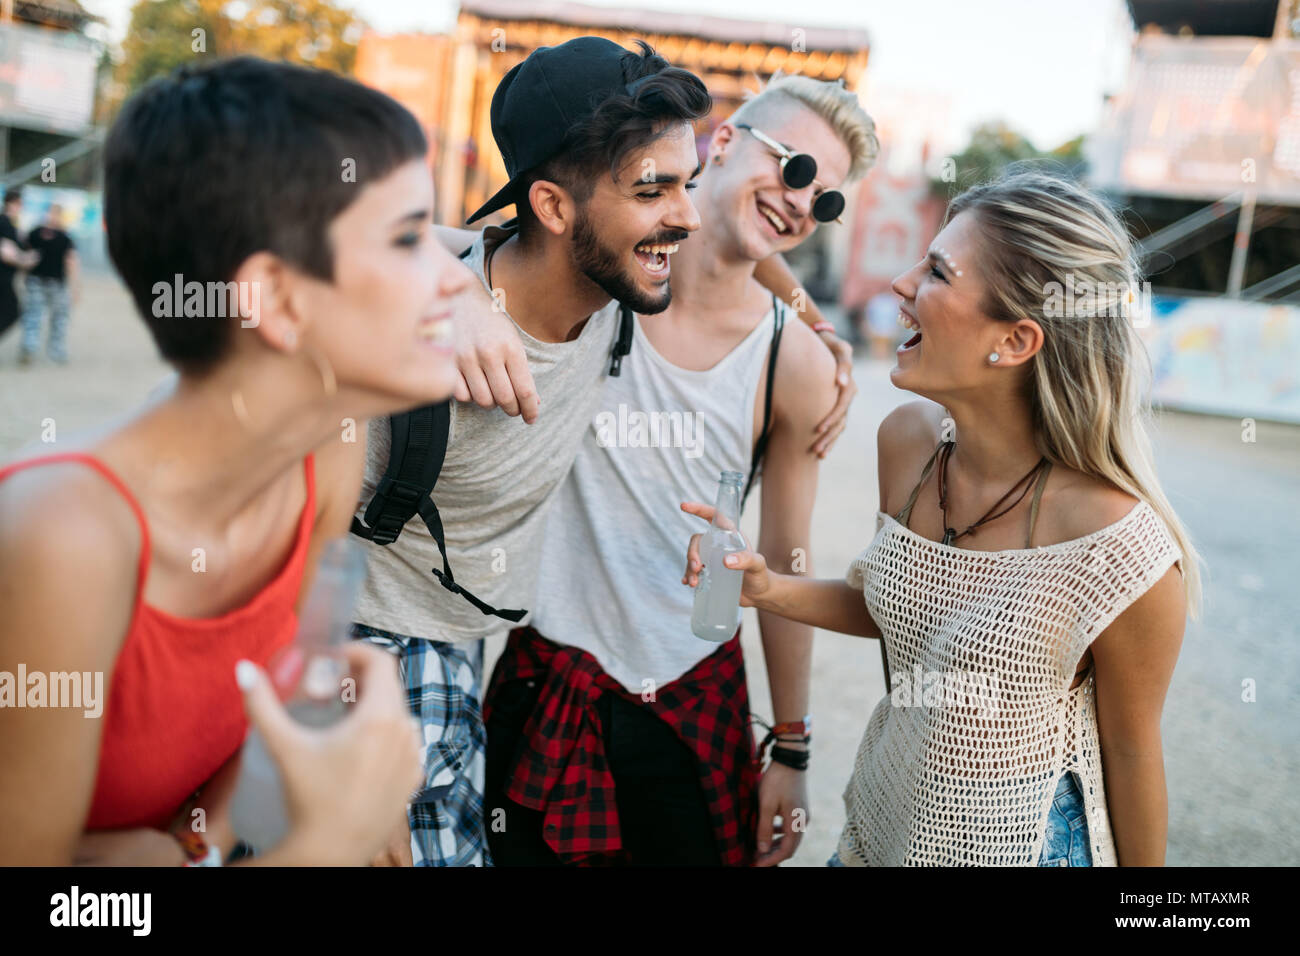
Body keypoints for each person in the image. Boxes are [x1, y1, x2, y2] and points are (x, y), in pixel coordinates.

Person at [0, 56, 470, 866]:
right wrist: (328, 840)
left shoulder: (328, 445)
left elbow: (233, 754)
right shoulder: (63, 538)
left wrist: (186, 851)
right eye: (406, 239)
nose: (459, 285)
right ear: (276, 301)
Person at [684, 169, 1201, 867]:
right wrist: (766, 587)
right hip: (879, 828)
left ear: (1015, 341)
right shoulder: (908, 443)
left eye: (936, 272)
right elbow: (903, 605)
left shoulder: (1119, 549)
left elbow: (1134, 753)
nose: (899, 285)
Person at [483, 76, 879, 866]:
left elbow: (785, 561)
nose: (803, 204)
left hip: (698, 696)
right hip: (550, 681)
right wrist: (469, 294)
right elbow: (491, 246)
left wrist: (791, 751)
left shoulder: (793, 361)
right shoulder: (602, 281)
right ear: (722, 142)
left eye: (826, 200)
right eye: (797, 169)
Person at [351, 36, 713, 868]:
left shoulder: (620, 284)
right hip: (372, 659)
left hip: (475, 647)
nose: (687, 214)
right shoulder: (416, 329)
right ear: (551, 206)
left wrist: (806, 321)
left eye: (686, 184)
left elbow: (747, 236)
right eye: (652, 189)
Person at [19, 202, 79, 365]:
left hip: (56, 284)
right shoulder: (35, 233)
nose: (54, 217)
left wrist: (74, 288)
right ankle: (29, 348)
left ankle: (54, 349)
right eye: (52, 213)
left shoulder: (65, 238)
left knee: (59, 318)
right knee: (33, 315)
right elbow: (25, 255)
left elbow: (71, 262)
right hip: (36, 282)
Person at [0, 188, 37, 344]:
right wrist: (26, 260)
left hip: (6, 277)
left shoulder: (11, 226)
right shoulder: (4, 223)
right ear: (13, 204)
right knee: (11, 311)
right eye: (19, 204)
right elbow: (5, 252)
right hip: (2, 277)